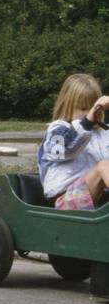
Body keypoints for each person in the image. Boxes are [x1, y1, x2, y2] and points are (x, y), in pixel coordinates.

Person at [38, 72, 109, 210]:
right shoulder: (57, 130)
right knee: (104, 166)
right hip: (67, 200)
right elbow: (63, 150)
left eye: (94, 107)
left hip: (99, 197)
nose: (90, 112)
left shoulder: (103, 132)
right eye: (84, 108)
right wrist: (87, 121)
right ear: (67, 106)